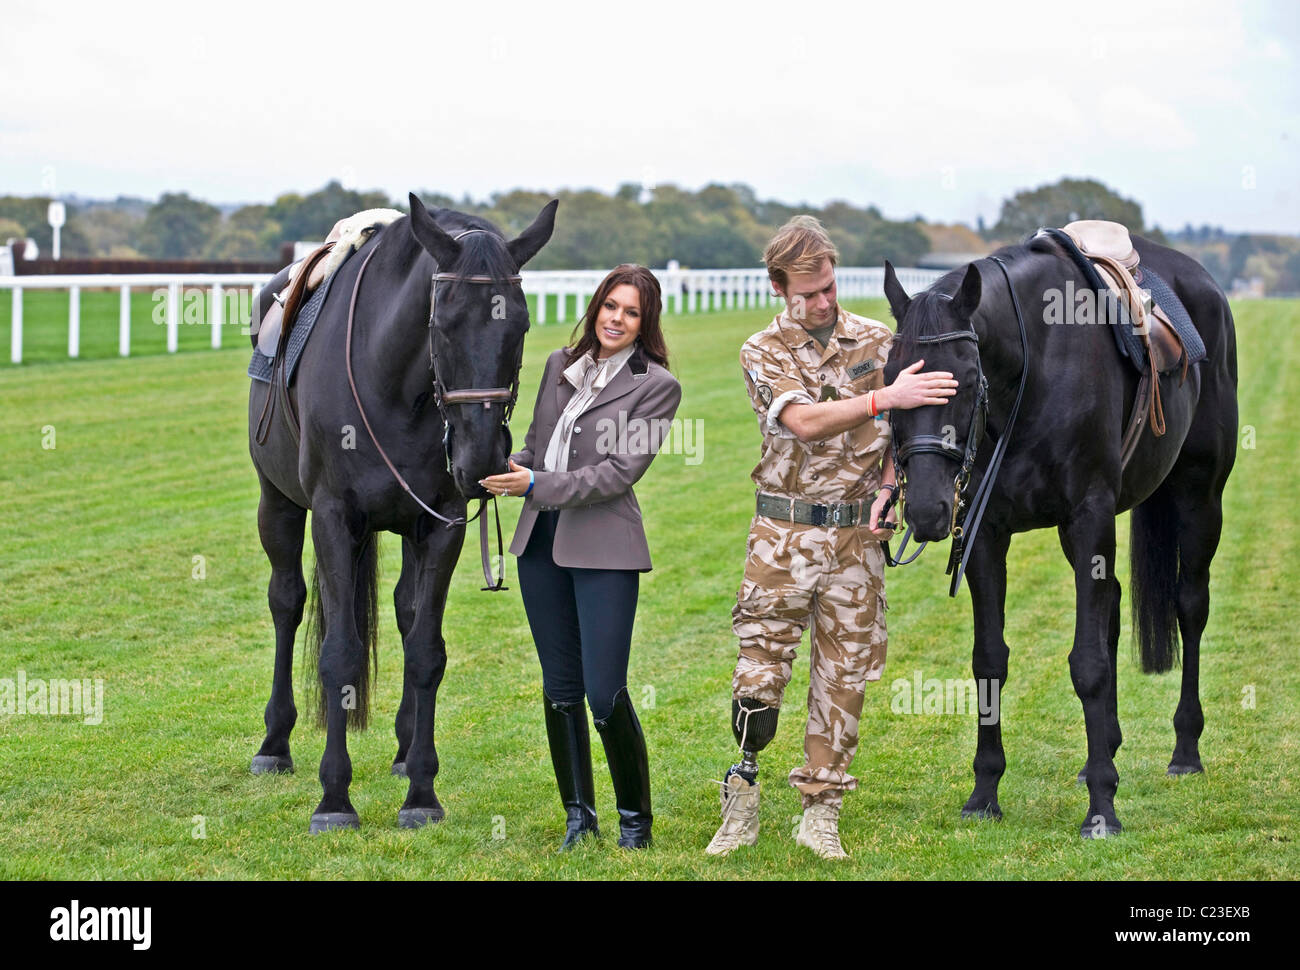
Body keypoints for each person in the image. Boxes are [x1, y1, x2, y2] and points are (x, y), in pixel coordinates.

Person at [705, 216, 957, 860]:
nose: (822, 302)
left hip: (856, 543)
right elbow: (805, 421)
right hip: (782, 538)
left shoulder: (878, 339)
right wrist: (885, 399)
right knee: (759, 678)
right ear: (777, 287)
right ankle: (742, 795)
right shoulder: (762, 350)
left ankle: (821, 811)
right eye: (807, 292)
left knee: (844, 682)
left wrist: (890, 484)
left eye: (829, 288)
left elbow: (906, 433)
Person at [481, 264, 682, 851]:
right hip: (539, 545)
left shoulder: (657, 386)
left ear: (646, 323)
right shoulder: (557, 366)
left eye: (631, 312)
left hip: (605, 550)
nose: (616, 319)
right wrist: (502, 467)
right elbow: (539, 449)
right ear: (596, 306)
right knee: (560, 686)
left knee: (604, 691)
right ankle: (578, 818)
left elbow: (617, 474)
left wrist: (535, 484)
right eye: (610, 306)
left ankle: (634, 824)